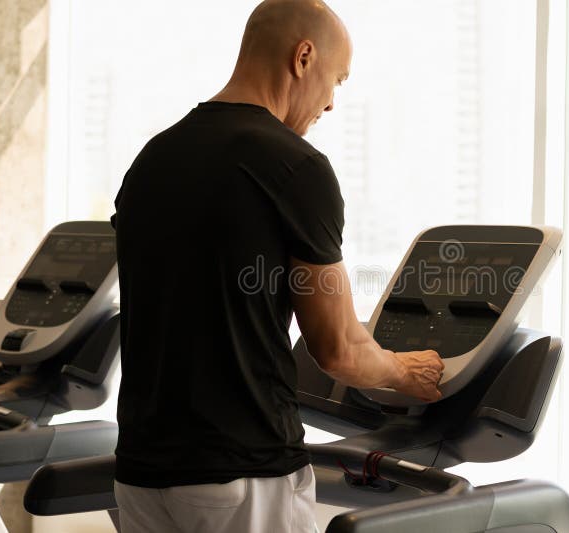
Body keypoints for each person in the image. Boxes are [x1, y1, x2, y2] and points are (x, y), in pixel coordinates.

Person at [110, 0, 444, 532]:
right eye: (338, 80)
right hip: (242, 477)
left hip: (141, 472)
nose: (333, 103)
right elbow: (338, 349)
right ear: (303, 57)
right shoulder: (295, 166)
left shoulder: (153, 159)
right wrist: (409, 371)